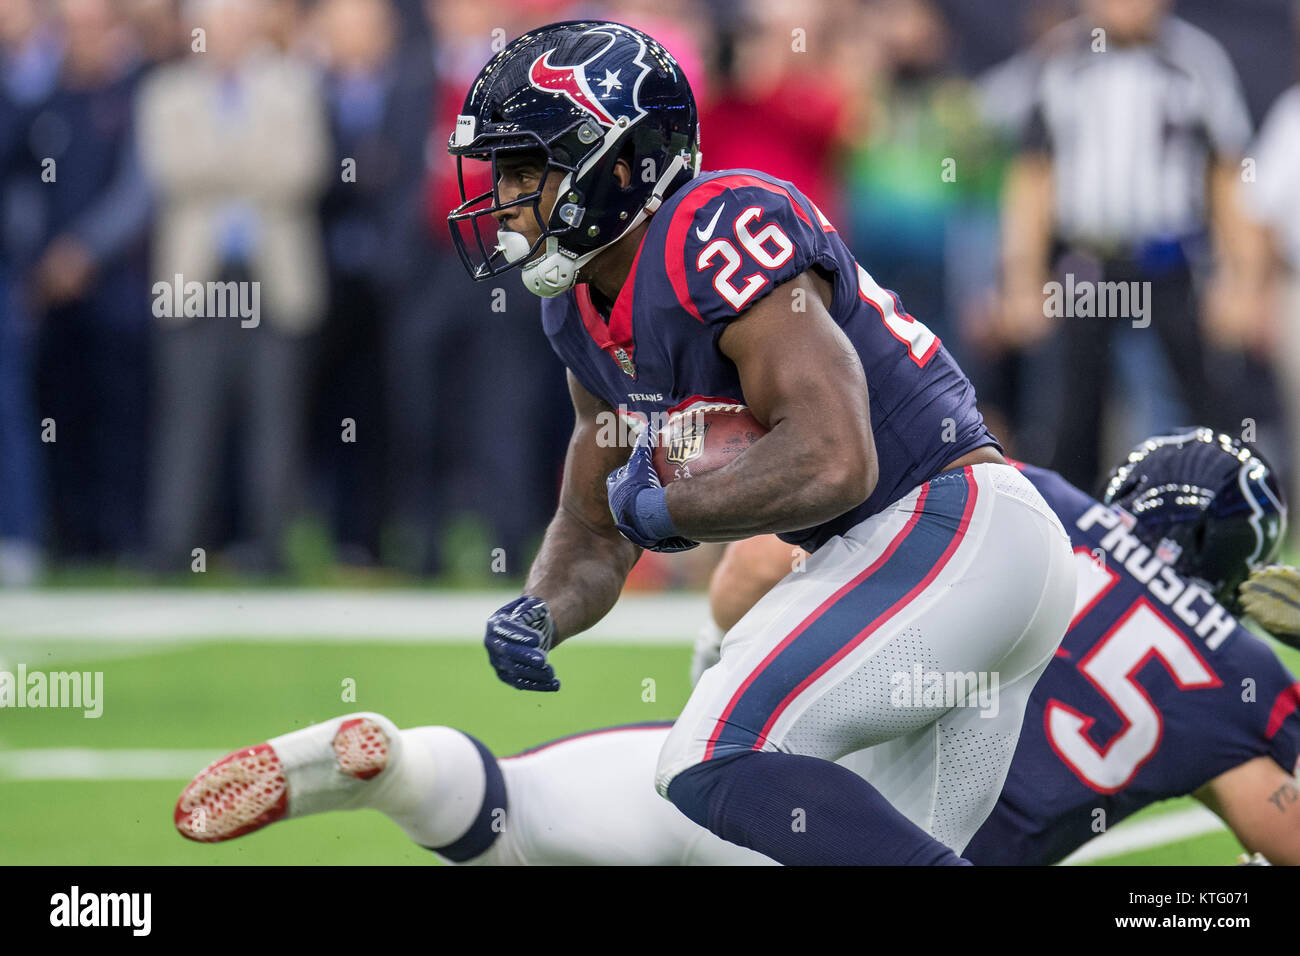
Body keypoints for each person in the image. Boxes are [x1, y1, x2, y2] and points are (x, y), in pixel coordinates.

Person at [455, 19, 1074, 865]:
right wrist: (542, 611)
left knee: (710, 753)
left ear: (624, 165)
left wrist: (673, 509)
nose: (507, 195)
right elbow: (597, 522)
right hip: (944, 560)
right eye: (502, 169)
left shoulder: (715, 229)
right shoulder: (578, 310)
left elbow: (834, 456)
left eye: (530, 167)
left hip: (949, 526)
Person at [172, 431, 1300, 866]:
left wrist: (727, 676)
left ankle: (399, 766)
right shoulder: (1242, 684)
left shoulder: (1024, 505)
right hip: (911, 848)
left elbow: (759, 562)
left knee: (512, 818)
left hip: (767, 781)